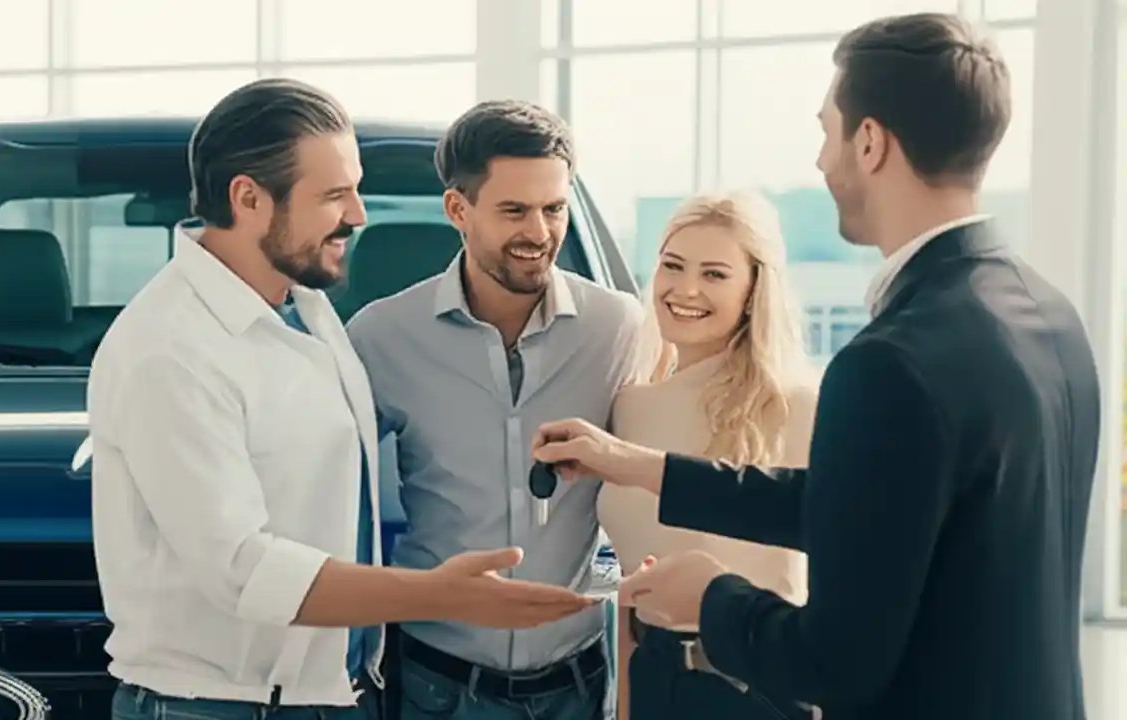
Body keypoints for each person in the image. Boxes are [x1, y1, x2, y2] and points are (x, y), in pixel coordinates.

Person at [531, 13, 1100, 720]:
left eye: (826, 130)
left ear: (870, 142)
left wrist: (711, 599)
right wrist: (643, 466)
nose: (821, 161)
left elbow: (836, 659)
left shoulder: (892, 362)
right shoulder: (1049, 317)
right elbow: (865, 511)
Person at [87, 79, 597, 720]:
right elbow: (243, 568)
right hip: (220, 707)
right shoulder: (168, 349)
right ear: (248, 198)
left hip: (331, 697)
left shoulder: (307, 311)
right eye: (333, 195)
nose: (358, 214)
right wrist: (441, 597)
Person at [345, 100, 643, 720]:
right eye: (514, 210)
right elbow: (322, 495)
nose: (538, 232)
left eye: (553, 208)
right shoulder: (380, 338)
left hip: (579, 685)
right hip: (437, 687)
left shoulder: (618, 329)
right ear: (458, 209)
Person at [598, 190, 819, 720]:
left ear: (752, 292)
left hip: (755, 689)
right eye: (672, 266)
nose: (686, 289)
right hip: (653, 677)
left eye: (715, 274)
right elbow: (631, 594)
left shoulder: (798, 406)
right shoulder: (630, 406)